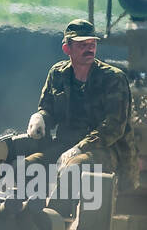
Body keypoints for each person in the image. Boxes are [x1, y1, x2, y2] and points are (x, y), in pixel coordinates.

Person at [23, 18, 137, 188]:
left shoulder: (113, 78)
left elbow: (114, 127)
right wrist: (39, 117)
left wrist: (80, 148)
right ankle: (26, 210)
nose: (89, 48)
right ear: (66, 48)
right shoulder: (58, 74)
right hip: (65, 145)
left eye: (92, 44)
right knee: (26, 167)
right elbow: (48, 110)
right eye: (82, 44)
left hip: (105, 151)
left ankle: (58, 212)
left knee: (73, 169)